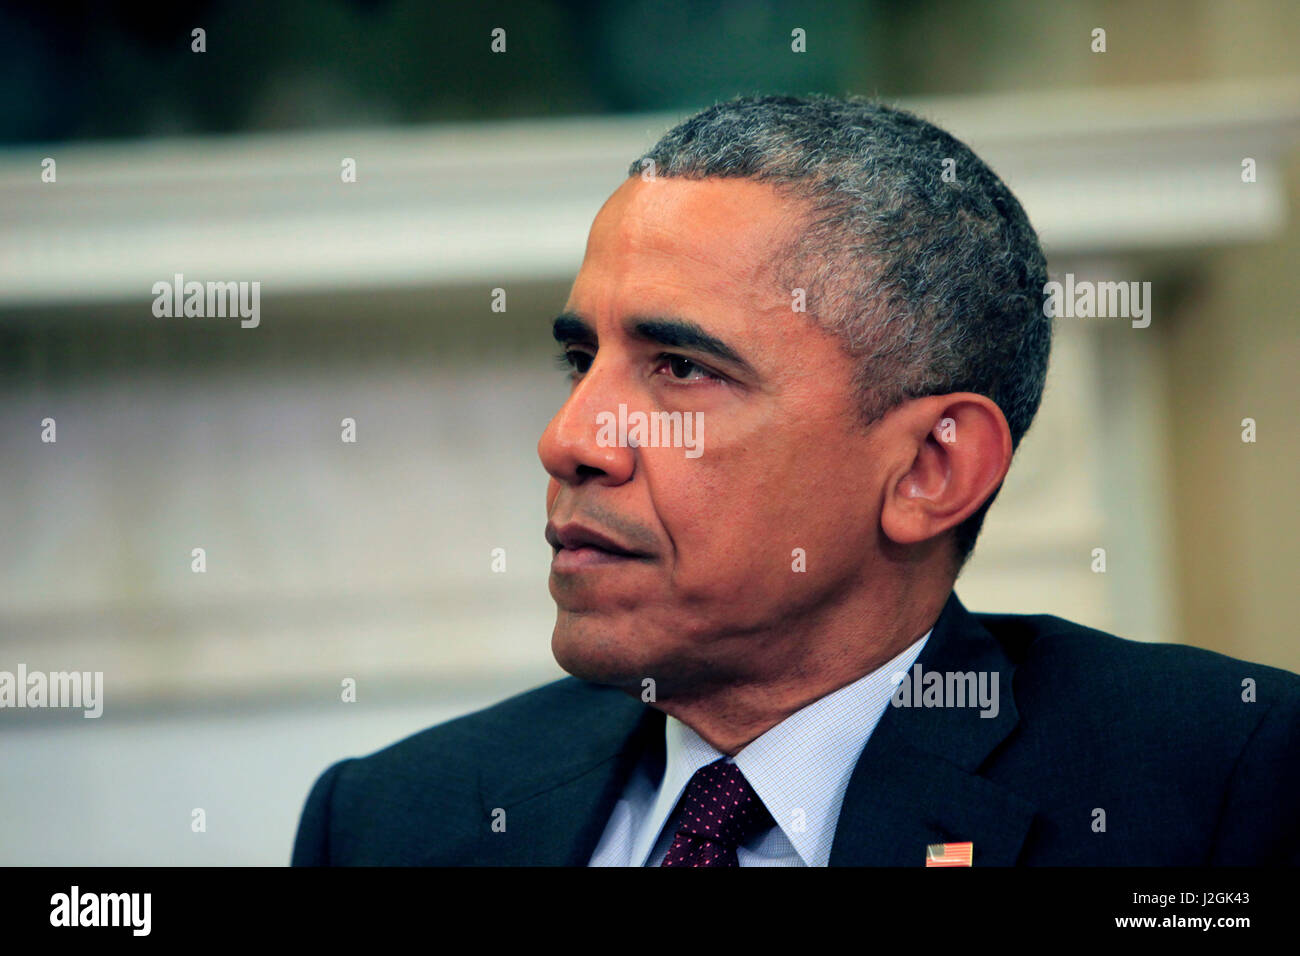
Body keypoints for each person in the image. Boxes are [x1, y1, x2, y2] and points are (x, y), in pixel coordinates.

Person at [291, 94, 1300, 866]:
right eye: (577, 361)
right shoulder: (390, 820)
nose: (570, 438)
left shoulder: (1217, 784)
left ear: (929, 468)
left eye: (680, 368)